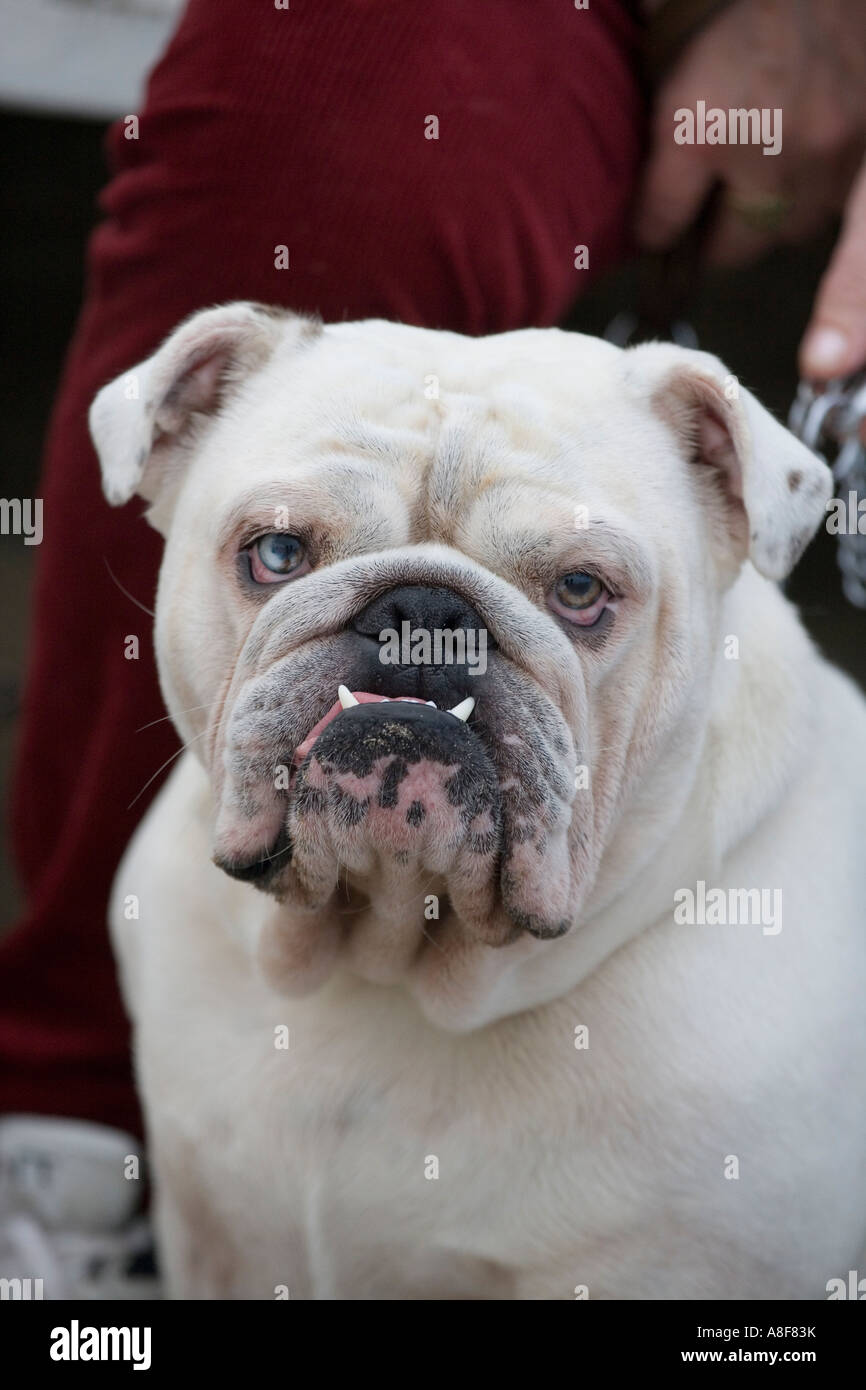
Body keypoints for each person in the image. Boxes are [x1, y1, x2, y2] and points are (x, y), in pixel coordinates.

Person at [1, 0, 864, 1298]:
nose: (413, 651)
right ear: (164, 450)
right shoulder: (167, 909)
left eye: (575, 589)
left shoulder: (781, 995)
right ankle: (67, 1128)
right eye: (282, 555)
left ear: (734, 512)